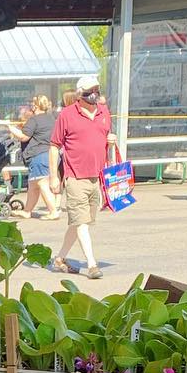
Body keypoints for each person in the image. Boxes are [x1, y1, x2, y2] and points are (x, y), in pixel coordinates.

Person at [50, 76, 119, 280]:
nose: (95, 93)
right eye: (90, 90)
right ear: (80, 94)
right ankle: (92, 264)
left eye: (97, 89)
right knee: (80, 222)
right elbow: (54, 146)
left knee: (81, 222)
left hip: (95, 177)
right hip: (75, 176)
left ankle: (60, 258)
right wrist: (54, 177)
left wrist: (111, 142)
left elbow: (105, 137)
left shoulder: (104, 112)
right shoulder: (67, 115)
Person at [22, 94, 60, 218]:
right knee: (33, 185)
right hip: (51, 153)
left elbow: (24, 137)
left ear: (35, 106)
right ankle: (27, 211)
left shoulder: (34, 120)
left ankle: (53, 211)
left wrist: (10, 128)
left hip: (39, 155)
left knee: (42, 183)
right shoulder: (51, 118)